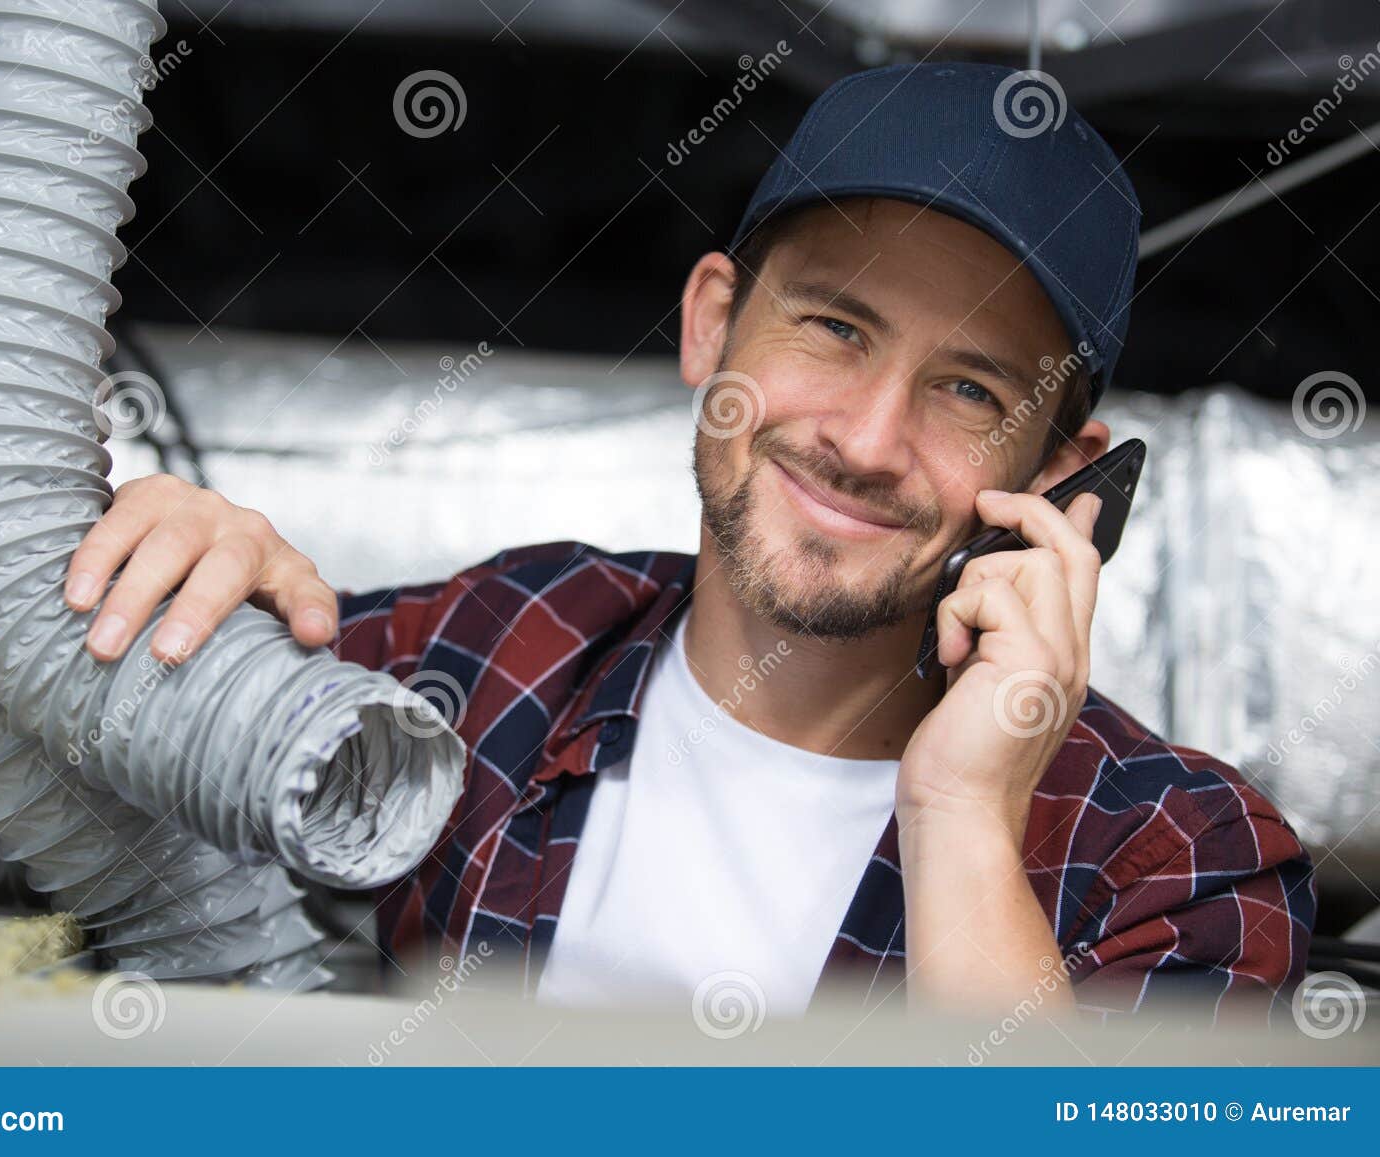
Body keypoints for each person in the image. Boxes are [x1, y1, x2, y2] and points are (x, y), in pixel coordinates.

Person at [63, 63, 1313, 1021]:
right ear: (713, 328)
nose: (869, 440)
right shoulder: (493, 650)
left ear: (1059, 479)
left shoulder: (1180, 855)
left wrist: (962, 814)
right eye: (833, 327)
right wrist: (178, 595)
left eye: (971, 390)